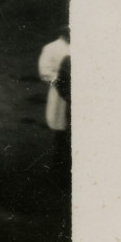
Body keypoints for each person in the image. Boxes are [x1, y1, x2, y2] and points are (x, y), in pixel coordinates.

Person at [38, 27, 71, 177]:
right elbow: (45, 72)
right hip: (60, 94)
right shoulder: (51, 48)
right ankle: (59, 167)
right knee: (61, 132)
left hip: (72, 94)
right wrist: (61, 81)